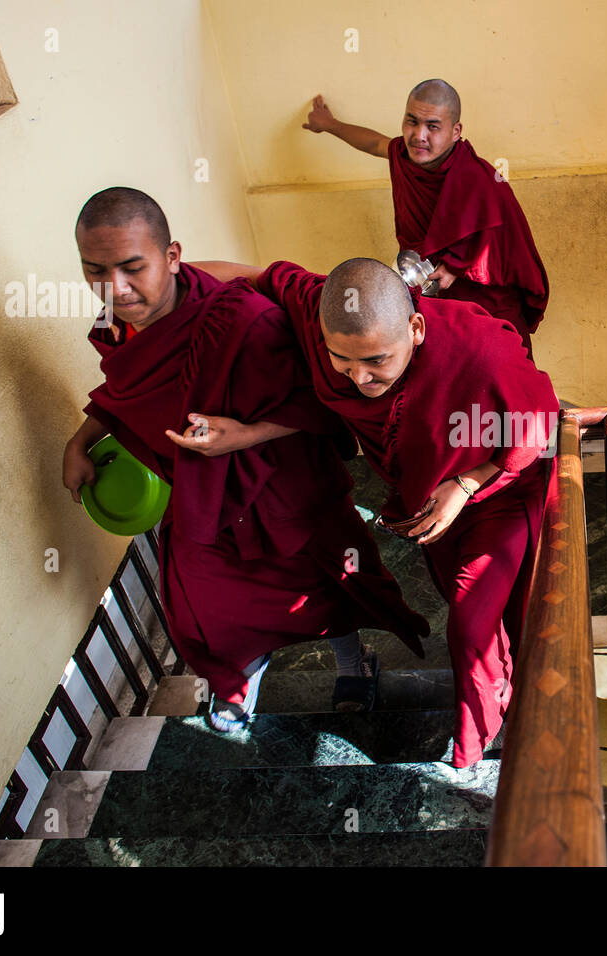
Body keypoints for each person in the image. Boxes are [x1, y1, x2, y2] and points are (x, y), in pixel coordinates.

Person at [61, 188, 428, 730]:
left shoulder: (242, 321)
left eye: (132, 268)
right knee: (207, 604)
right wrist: (80, 439)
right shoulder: (116, 328)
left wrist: (247, 435)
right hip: (200, 495)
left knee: (325, 583)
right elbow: (126, 390)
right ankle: (237, 680)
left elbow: (318, 405)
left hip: (283, 484)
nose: (115, 288)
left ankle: (353, 664)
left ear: (171, 256)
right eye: (95, 271)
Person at [194, 255, 559, 767]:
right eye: (343, 362)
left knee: (472, 623)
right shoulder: (328, 310)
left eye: (376, 362)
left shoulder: (479, 349)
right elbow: (257, 274)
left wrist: (465, 484)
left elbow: (541, 425)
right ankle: (503, 696)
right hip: (424, 501)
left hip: (496, 490)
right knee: (464, 607)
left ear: (415, 327)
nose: (360, 379)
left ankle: (475, 749)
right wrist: (163, 278)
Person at [301, 79, 549, 354]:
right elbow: (373, 143)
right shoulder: (403, 157)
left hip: (486, 306)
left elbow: (504, 250)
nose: (419, 135)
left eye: (432, 126)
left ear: (456, 132)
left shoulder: (481, 181)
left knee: (500, 374)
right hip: (430, 297)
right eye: (411, 122)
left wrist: (458, 267)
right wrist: (329, 125)